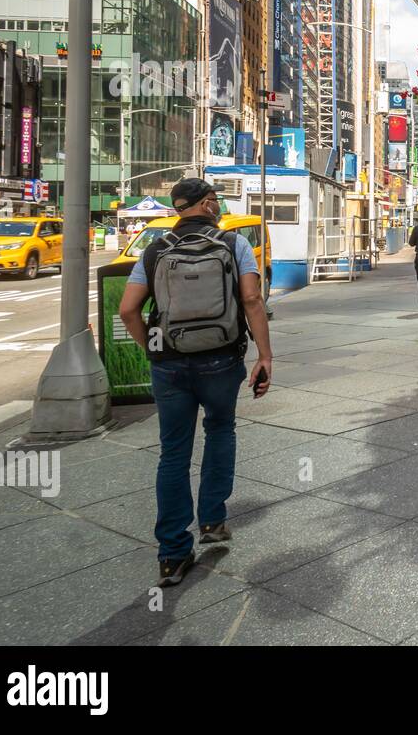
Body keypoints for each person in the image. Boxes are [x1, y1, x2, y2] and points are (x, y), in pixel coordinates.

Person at [118, 178, 272, 589]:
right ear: (207, 203)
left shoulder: (155, 251)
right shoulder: (233, 244)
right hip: (221, 360)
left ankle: (171, 554)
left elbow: (128, 309)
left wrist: (152, 348)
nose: (218, 206)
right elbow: (252, 300)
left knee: (173, 453)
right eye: (216, 200)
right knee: (220, 430)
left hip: (169, 364)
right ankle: (213, 521)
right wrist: (265, 356)